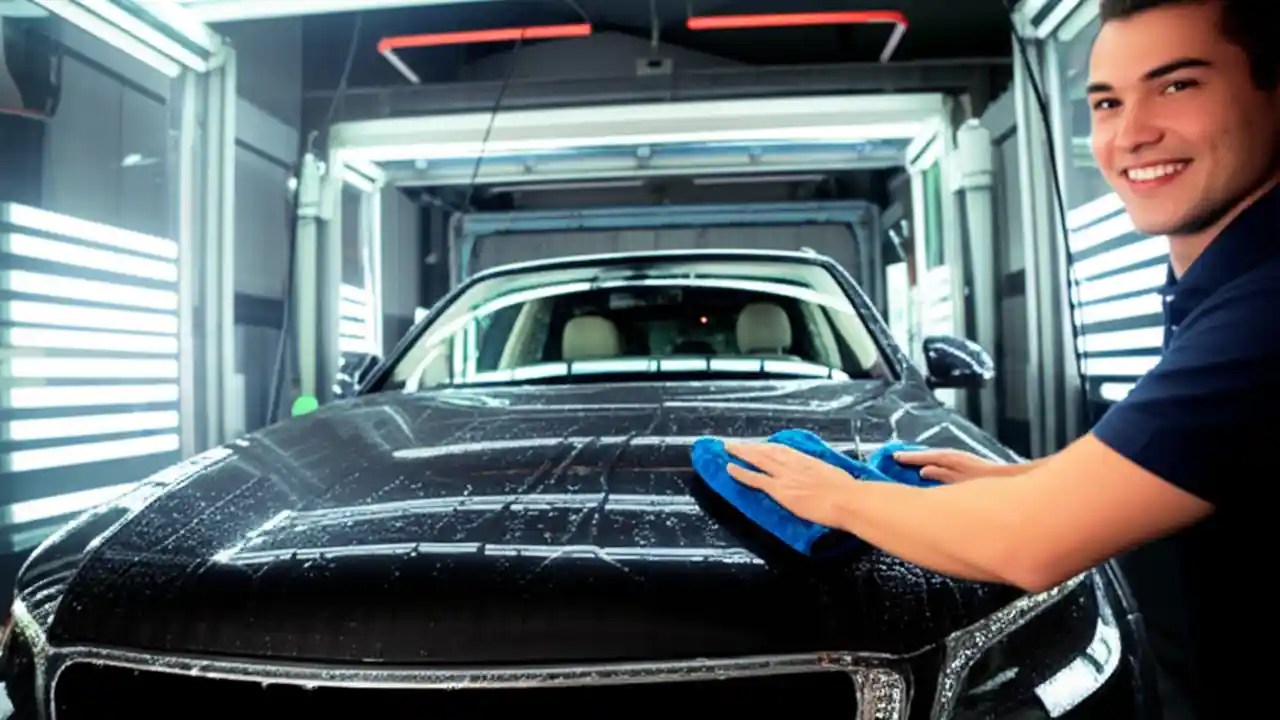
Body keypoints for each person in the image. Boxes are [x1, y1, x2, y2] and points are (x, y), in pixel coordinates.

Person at [722, 0, 1279, 717]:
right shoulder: (1218, 291)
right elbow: (1198, 458)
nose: (1132, 133)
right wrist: (1031, 479)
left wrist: (833, 495)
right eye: (1107, 101)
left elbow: (1030, 544)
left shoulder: (1263, 312)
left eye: (1178, 86)